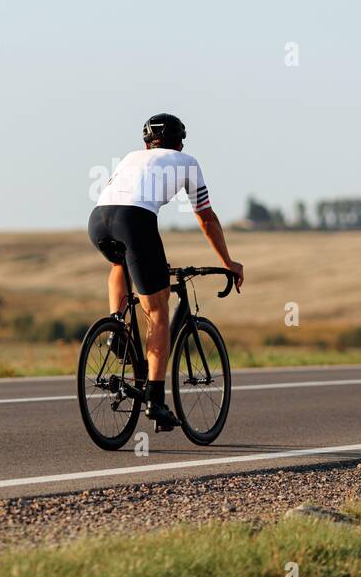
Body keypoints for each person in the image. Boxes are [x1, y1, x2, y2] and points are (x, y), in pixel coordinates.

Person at [88, 113, 244, 431]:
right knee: (157, 311)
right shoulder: (187, 161)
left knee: (120, 263)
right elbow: (206, 217)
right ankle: (156, 401)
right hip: (135, 221)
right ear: (180, 142)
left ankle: (118, 331)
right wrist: (228, 261)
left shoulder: (132, 158)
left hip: (98, 219)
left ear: (146, 143)